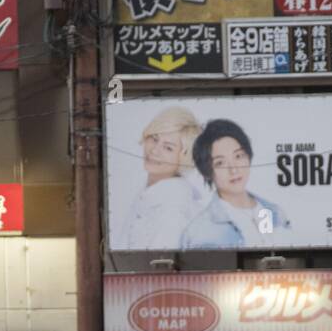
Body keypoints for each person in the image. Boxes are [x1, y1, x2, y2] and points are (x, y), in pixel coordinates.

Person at [180, 119, 290, 250]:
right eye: (220, 163)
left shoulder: (275, 211)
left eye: (238, 156)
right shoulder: (199, 232)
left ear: (248, 156)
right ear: (207, 172)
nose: (234, 169)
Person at [121, 106, 204, 249]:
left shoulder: (173, 211)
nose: (154, 150)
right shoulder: (147, 194)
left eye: (168, 148)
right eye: (154, 139)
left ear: (184, 157)